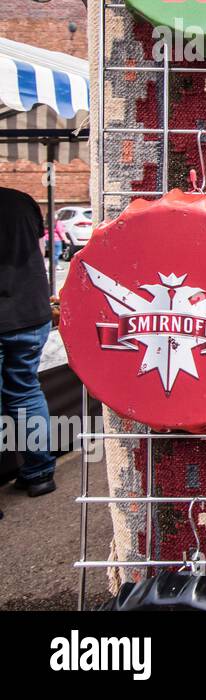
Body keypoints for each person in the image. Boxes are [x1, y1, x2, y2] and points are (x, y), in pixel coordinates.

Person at [0, 186, 58, 519]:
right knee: (25, 391)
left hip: (16, 312)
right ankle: (39, 473)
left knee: (23, 392)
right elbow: (39, 247)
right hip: (29, 312)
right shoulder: (21, 200)